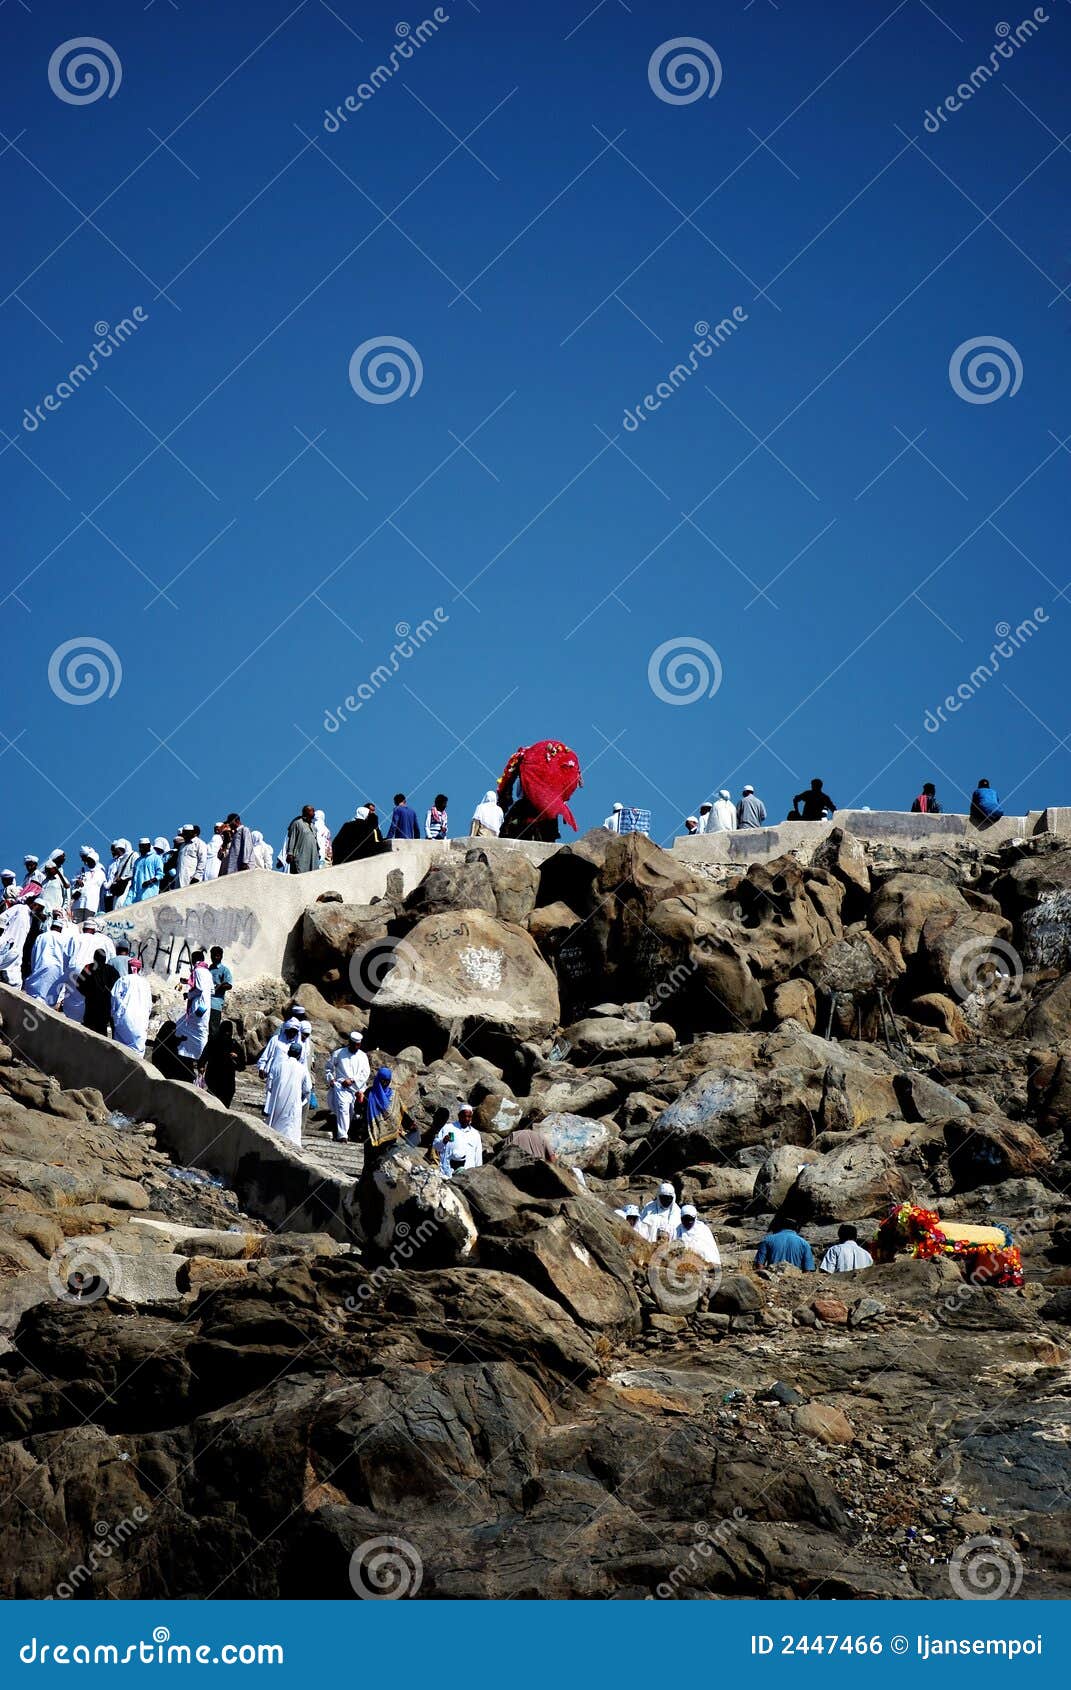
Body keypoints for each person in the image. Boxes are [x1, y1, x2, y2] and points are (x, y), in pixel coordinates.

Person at [325, 1031, 370, 1142]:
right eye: (353, 1044)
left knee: (352, 1112)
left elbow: (365, 1073)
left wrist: (353, 1080)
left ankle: (351, 1134)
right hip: (342, 1087)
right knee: (343, 1109)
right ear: (349, 1042)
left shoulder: (363, 1056)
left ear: (360, 1045)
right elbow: (328, 1068)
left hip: (357, 1088)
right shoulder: (339, 1053)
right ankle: (342, 1136)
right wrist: (330, 1079)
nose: (355, 1047)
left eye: (357, 1045)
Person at [110, 943, 152, 1055]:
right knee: (138, 1052)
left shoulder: (123, 980)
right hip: (140, 1021)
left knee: (120, 1049)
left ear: (129, 967)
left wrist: (114, 1014)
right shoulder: (145, 983)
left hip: (124, 1019)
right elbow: (149, 1005)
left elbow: (114, 997)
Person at [267, 1043, 310, 1146]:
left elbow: (269, 1086)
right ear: (300, 1055)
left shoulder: (276, 1066)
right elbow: (307, 1089)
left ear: (288, 1052)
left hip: (276, 1103)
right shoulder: (302, 1069)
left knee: (275, 1128)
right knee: (291, 1131)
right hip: (293, 1105)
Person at [175, 950, 213, 1065]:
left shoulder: (197, 971)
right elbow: (211, 989)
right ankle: (193, 1055)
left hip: (198, 1005)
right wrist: (188, 982)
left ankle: (196, 1056)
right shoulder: (207, 972)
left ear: (193, 960)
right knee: (200, 1030)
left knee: (187, 1028)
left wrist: (189, 995)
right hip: (205, 1006)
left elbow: (198, 989)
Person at [23, 910, 67, 1003]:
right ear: (60, 929)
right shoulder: (64, 939)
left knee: (35, 993)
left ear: (51, 927)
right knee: (50, 995)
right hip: (56, 970)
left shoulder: (42, 936)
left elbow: (34, 953)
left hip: (41, 965)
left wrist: (34, 967)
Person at [258, 1019, 300, 1117]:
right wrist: (261, 1067)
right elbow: (266, 1055)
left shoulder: (297, 1045)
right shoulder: (276, 1040)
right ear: (286, 1030)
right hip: (274, 1075)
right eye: (291, 1031)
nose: (293, 1034)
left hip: (289, 1077)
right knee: (270, 1099)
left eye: (295, 1032)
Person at [200, 1020, 246, 1107]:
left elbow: (242, 1066)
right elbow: (241, 1066)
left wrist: (236, 1058)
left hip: (221, 1080)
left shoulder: (217, 1042)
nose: (227, 1034)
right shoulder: (217, 1042)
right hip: (218, 1080)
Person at [432, 1104, 483, 1177]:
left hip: (467, 1174)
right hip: (446, 1173)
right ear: (459, 1116)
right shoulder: (448, 1128)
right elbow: (436, 1146)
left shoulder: (475, 1134)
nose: (466, 1119)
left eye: (469, 1117)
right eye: (464, 1116)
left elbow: (478, 1157)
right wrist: (443, 1141)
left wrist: (478, 1174)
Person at [78, 949, 120, 1036]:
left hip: (91, 1005)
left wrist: (88, 994)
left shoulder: (88, 968)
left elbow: (79, 984)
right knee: (102, 1031)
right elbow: (117, 988)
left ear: (94, 958)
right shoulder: (112, 970)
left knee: (88, 1030)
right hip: (105, 1006)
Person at [0, 900, 33, 986]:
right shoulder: (20, 908)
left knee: (17, 983)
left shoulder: (31, 917)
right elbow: (2, 919)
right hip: (5, 945)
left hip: (16, 951)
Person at [71, 848, 106, 925]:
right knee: (76, 924)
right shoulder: (81, 870)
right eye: (88, 860)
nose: (89, 862)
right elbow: (72, 881)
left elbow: (105, 887)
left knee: (88, 924)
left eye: (91, 861)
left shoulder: (101, 872)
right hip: (79, 903)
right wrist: (76, 881)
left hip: (91, 904)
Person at [285, 805, 320, 872]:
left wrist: (318, 853)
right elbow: (292, 838)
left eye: (313, 811)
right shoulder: (297, 823)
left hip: (313, 856)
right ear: (305, 812)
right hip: (301, 856)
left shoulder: (313, 827)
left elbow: (316, 841)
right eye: (311, 810)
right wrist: (290, 853)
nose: (314, 812)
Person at [207, 946, 233, 1034]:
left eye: (217, 956)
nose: (215, 958)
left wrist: (220, 985)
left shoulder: (224, 970)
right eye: (213, 956)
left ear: (221, 956)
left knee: (213, 1030)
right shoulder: (208, 969)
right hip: (205, 1003)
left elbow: (229, 985)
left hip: (215, 1004)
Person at [104, 839, 136, 909]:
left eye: (120, 850)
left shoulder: (134, 855)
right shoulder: (122, 859)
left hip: (128, 884)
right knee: (115, 905)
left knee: (121, 903)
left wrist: (122, 878)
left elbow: (134, 870)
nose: (118, 852)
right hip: (120, 885)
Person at [130, 838, 164, 903]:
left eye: (143, 846)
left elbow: (160, 875)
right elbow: (134, 878)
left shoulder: (156, 858)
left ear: (148, 846)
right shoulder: (137, 861)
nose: (141, 849)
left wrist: (149, 882)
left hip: (150, 893)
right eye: (140, 847)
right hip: (137, 895)